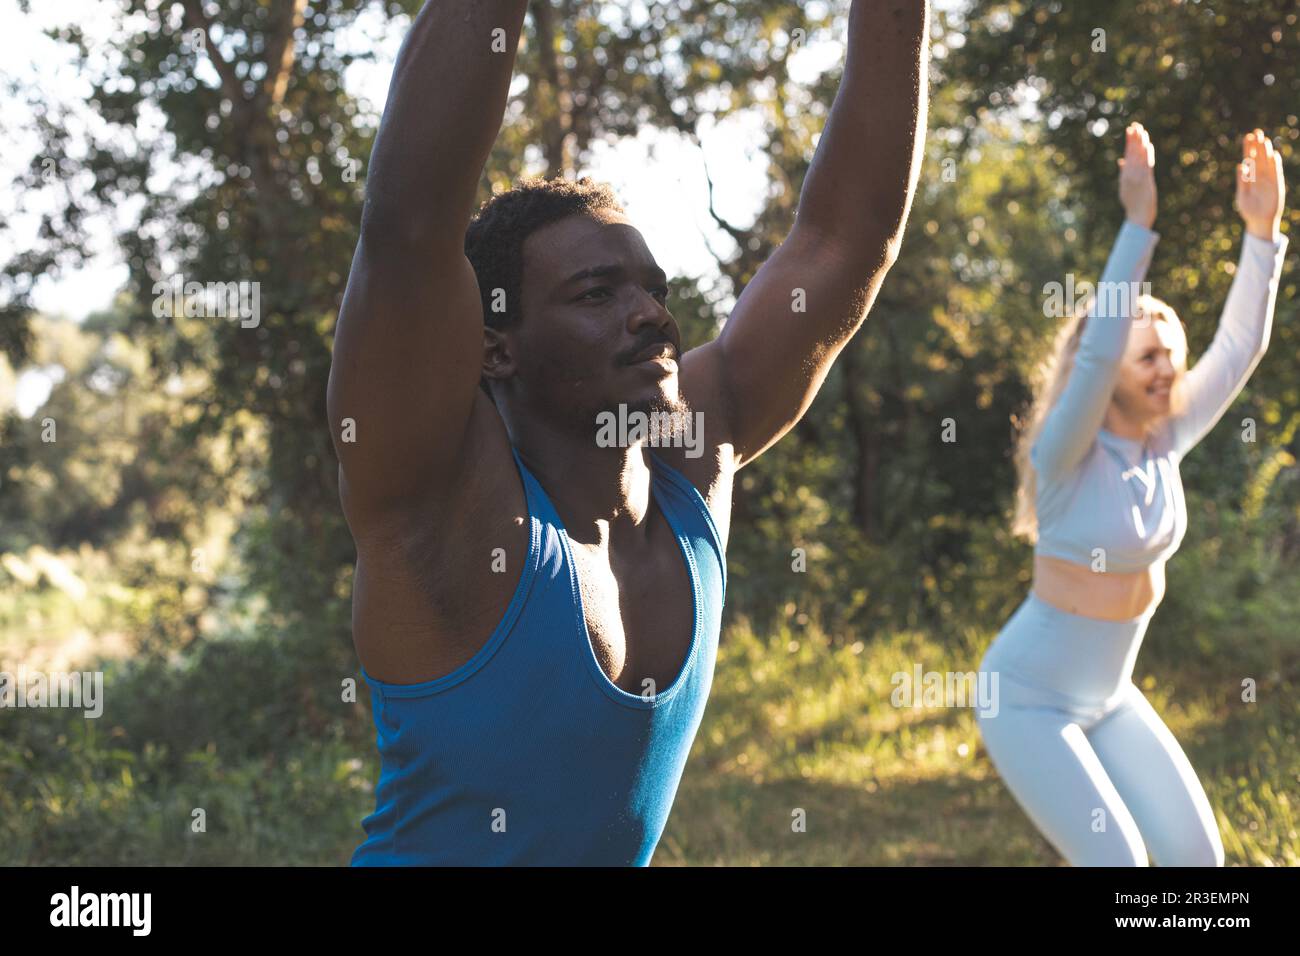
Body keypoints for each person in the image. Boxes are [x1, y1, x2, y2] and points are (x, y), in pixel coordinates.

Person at [328, 0, 931, 864]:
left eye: (654, 289)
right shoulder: (444, 507)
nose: (651, 315)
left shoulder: (694, 456)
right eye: (595, 294)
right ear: (494, 346)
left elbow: (847, 238)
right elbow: (408, 225)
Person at [976, 123, 1288, 866]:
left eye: (1172, 356)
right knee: (1120, 868)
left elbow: (1241, 345)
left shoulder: (1163, 439)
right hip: (1024, 700)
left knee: (1199, 866)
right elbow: (1094, 356)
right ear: (1109, 364)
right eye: (1148, 356)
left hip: (1110, 695)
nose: (1167, 370)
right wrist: (1137, 227)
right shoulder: (1064, 455)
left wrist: (1263, 231)